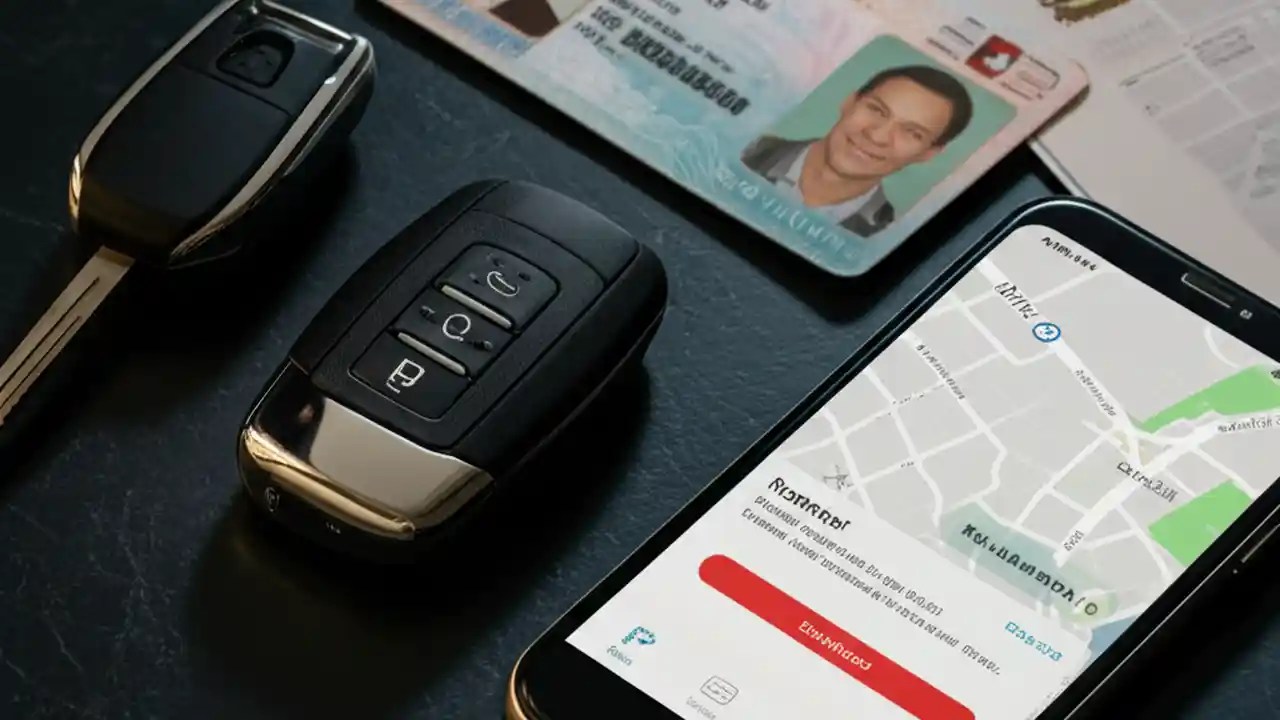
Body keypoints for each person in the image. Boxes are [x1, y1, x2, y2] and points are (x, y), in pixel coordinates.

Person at [742, 65, 973, 237]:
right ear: (849, 103)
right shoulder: (744, 145)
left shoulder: (886, 240)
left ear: (928, 154)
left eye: (912, 133)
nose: (877, 136)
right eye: (877, 110)